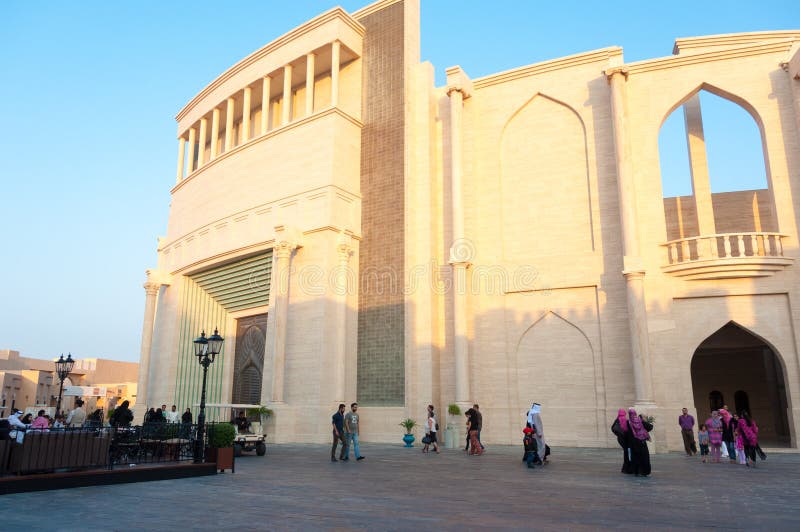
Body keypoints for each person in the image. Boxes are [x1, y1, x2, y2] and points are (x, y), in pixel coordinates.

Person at [626, 408, 653, 477]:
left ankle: (637, 471)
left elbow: (627, 433)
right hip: (642, 441)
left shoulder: (628, 422)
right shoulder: (640, 421)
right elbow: (650, 427)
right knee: (644, 457)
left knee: (635, 457)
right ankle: (645, 471)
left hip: (634, 443)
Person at [611, 408, 632, 474]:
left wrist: (618, 434)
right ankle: (627, 468)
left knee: (625, 452)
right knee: (627, 452)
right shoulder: (626, 420)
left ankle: (625, 468)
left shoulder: (617, 420)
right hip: (626, 439)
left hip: (620, 439)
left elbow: (613, 428)